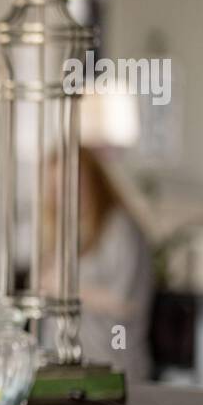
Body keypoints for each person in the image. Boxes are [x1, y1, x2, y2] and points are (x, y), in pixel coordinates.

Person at [40, 147, 153, 381]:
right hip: (64, 369)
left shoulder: (120, 228)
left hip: (110, 369)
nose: (66, 195)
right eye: (57, 188)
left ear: (94, 181)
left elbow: (125, 301)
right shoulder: (65, 232)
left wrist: (67, 289)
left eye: (73, 184)